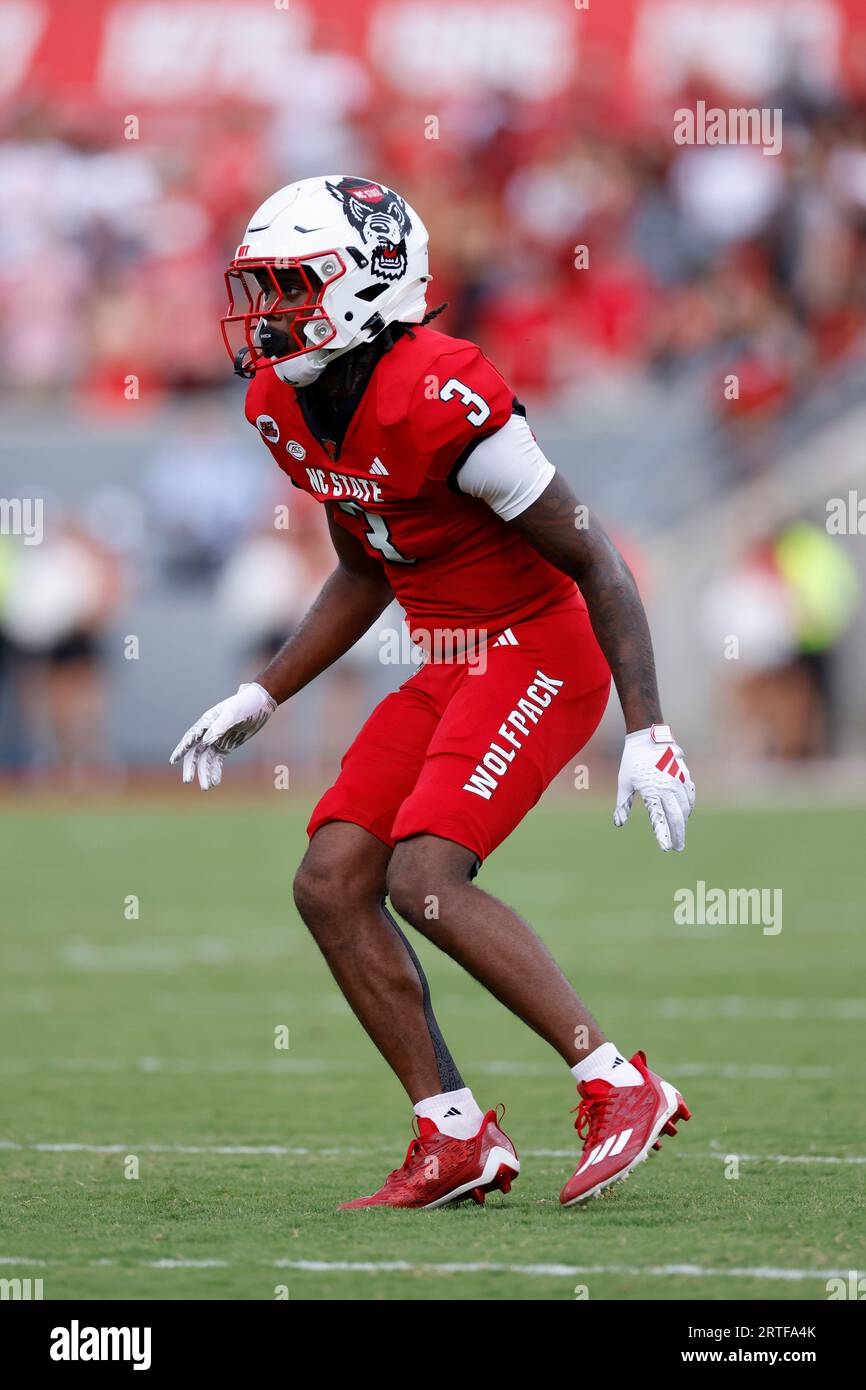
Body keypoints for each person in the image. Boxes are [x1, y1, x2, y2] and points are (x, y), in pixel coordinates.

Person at [170, 175, 695, 1209]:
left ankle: (617, 1082)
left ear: (369, 285)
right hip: (450, 656)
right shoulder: (281, 401)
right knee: (328, 879)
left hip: (541, 648)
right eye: (262, 286)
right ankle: (451, 1133)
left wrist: (649, 726)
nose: (268, 310)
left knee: (423, 876)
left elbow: (595, 561)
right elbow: (364, 564)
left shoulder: (442, 390)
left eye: (291, 285)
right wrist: (262, 692)